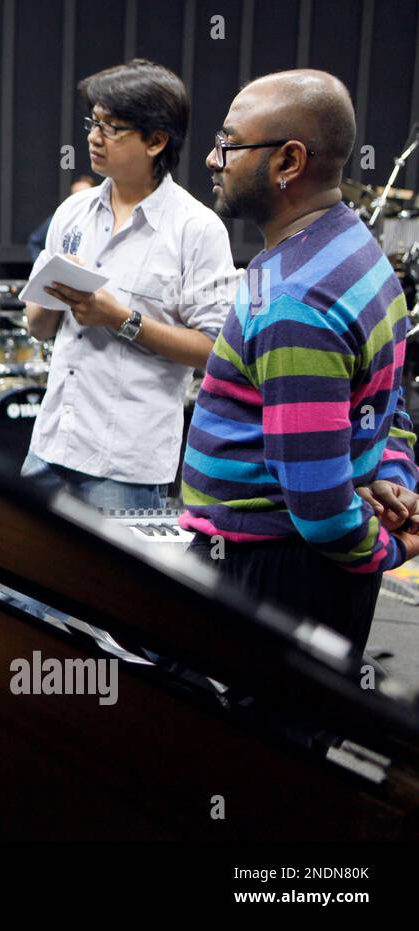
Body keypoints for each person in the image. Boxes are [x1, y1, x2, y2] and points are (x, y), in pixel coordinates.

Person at [181, 69, 419, 659]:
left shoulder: (296, 301)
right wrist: (395, 477)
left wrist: (389, 549)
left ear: (288, 161)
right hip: (300, 570)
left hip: (277, 573)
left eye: (229, 145)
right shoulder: (357, 251)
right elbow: (388, 410)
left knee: (248, 746)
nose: (214, 160)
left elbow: (317, 505)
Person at [21, 59, 237, 509]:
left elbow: (215, 350)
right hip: (49, 448)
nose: (94, 138)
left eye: (112, 127)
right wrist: (51, 296)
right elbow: (39, 329)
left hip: (126, 468)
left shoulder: (196, 228)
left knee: (109, 584)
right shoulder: (73, 213)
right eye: (93, 122)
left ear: (156, 141)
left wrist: (119, 318)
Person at [27, 175, 96, 262]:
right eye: (75, 195)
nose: (80, 199)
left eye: (84, 195)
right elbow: (34, 242)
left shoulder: (102, 220)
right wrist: (44, 267)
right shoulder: (59, 219)